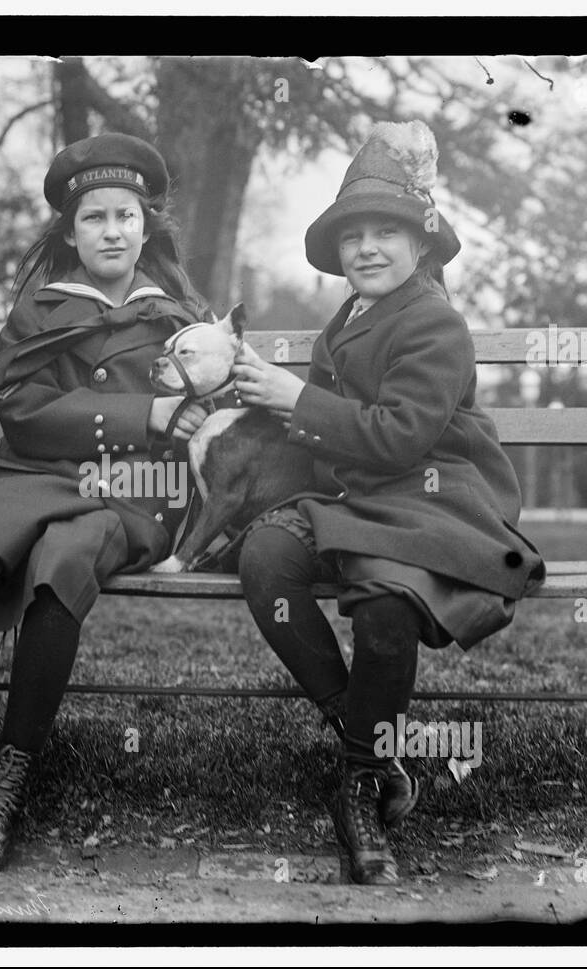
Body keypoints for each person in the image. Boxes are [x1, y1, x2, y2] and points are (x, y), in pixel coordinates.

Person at [228, 120, 546, 885]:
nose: (366, 249)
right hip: (358, 493)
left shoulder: (434, 319)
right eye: (352, 237)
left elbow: (403, 436)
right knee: (266, 557)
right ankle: (365, 735)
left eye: (386, 233)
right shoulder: (346, 321)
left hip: (434, 494)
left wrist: (298, 398)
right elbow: (325, 439)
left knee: (384, 606)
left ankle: (360, 786)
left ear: (422, 245)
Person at [0, 132, 213, 873]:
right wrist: (145, 414)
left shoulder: (178, 314)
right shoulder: (38, 309)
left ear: (145, 226)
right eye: (94, 217)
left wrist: (169, 422)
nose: (111, 230)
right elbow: (26, 413)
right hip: (28, 475)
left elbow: (206, 408)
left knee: (62, 561)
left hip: (131, 495)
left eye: (125, 215)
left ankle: (8, 777)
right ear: (70, 232)